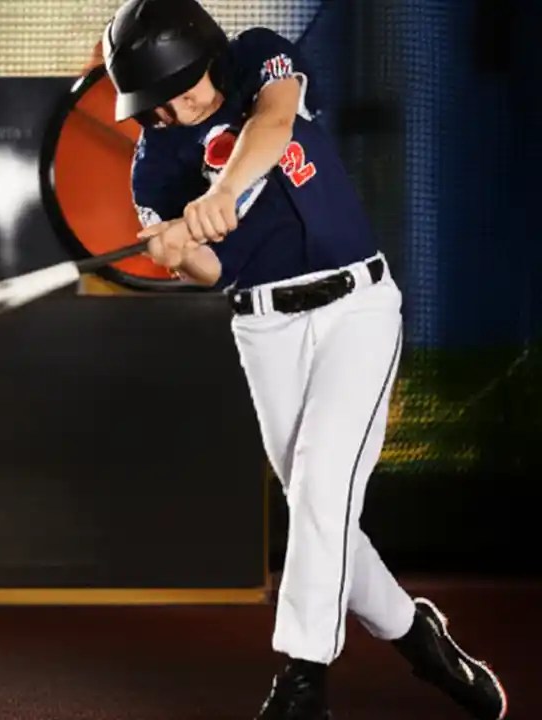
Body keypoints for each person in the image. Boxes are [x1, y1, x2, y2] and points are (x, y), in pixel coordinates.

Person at [98, 1, 509, 718]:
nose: (175, 105)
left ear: (207, 55)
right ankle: (419, 636)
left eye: (184, 84)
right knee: (322, 513)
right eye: (157, 100)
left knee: (323, 485)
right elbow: (210, 271)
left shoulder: (257, 56)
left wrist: (223, 193)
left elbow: (276, 121)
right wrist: (176, 250)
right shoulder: (154, 166)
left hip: (356, 308)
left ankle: (302, 682)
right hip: (265, 331)